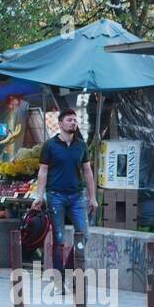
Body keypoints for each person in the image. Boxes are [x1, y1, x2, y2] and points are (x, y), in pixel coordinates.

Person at [31, 108, 98, 271]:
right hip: (55, 196)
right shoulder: (49, 145)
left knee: (84, 235)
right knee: (58, 239)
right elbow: (43, 171)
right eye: (69, 120)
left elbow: (88, 172)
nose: (73, 123)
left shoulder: (81, 146)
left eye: (75, 120)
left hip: (77, 196)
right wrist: (39, 196)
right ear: (60, 124)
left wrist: (92, 197)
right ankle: (59, 278)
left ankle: (69, 269)